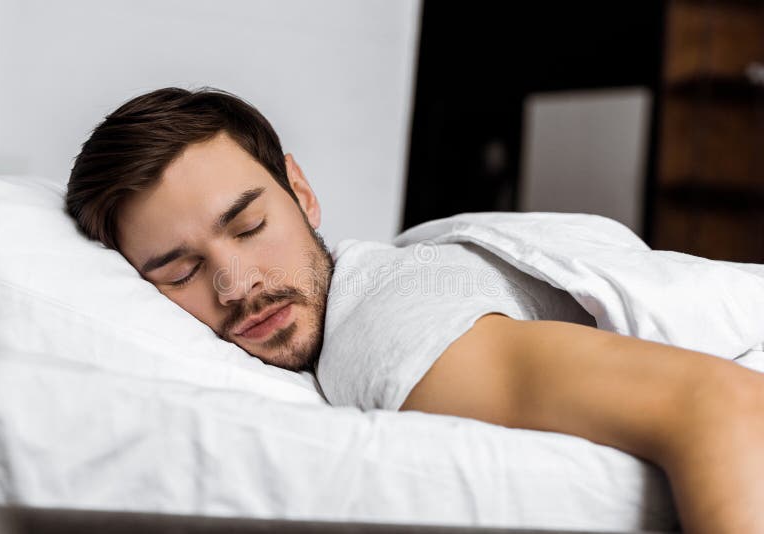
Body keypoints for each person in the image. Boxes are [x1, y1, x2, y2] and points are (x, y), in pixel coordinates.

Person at [66, 87, 764, 534]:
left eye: (249, 228)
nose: (236, 285)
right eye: (181, 272)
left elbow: (721, 404)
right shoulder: (407, 260)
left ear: (301, 193)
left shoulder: (383, 326)